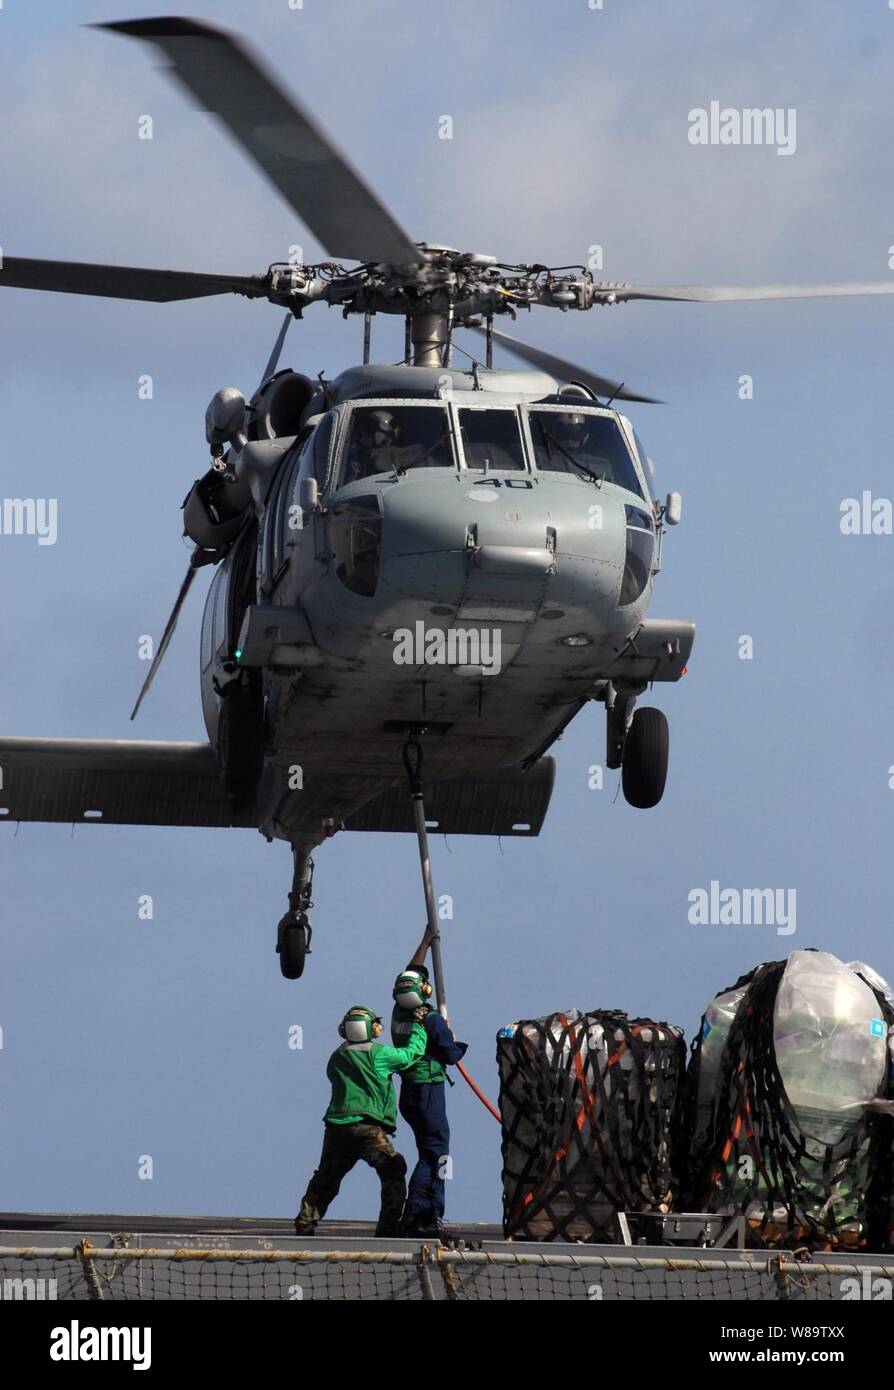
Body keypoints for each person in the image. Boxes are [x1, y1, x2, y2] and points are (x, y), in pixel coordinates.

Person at [295, 1003, 427, 1238]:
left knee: (326, 1177)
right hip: (366, 1128)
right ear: (373, 1029)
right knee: (393, 1171)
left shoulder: (336, 1057)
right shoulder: (380, 1054)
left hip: (336, 1128)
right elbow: (411, 1056)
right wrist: (419, 1027)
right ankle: (387, 1230)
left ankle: (306, 1221)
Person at [391, 929, 468, 1237]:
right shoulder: (431, 1020)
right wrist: (452, 1038)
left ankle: (421, 1215)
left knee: (428, 1151)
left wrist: (424, 942)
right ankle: (423, 1216)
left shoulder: (399, 1010)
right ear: (423, 990)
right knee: (435, 1153)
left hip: (409, 1092)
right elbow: (450, 1056)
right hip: (428, 1091)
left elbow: (408, 975)